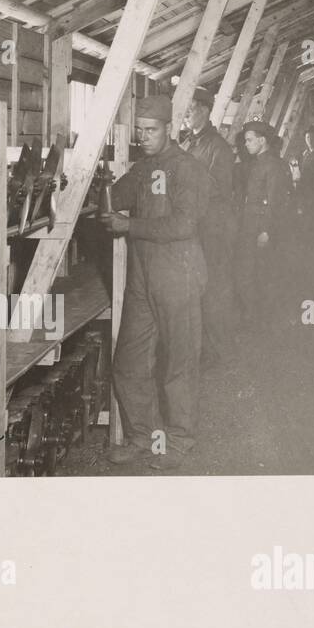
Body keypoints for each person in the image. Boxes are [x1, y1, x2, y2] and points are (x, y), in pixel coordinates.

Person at [99, 94, 211, 471]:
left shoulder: (188, 169)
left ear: (169, 128)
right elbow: (114, 196)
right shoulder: (143, 168)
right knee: (128, 361)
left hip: (179, 274)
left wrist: (128, 224)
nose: (143, 137)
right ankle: (141, 437)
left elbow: (184, 224)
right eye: (140, 130)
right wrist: (99, 185)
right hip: (142, 277)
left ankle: (178, 441)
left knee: (179, 362)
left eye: (151, 130)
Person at [180, 87, 236, 369]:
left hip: (211, 229)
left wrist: (187, 184)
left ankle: (215, 349)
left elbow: (220, 188)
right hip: (192, 227)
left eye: (190, 110)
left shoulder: (218, 148)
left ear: (204, 110)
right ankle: (198, 348)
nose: (186, 115)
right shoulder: (188, 143)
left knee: (210, 287)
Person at [235, 120, 292, 329]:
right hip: (250, 226)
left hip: (260, 228)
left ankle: (260, 319)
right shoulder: (256, 163)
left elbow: (275, 201)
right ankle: (254, 316)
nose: (246, 144)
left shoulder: (273, 165)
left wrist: (266, 231)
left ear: (262, 140)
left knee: (260, 273)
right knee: (249, 272)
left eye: (249, 140)